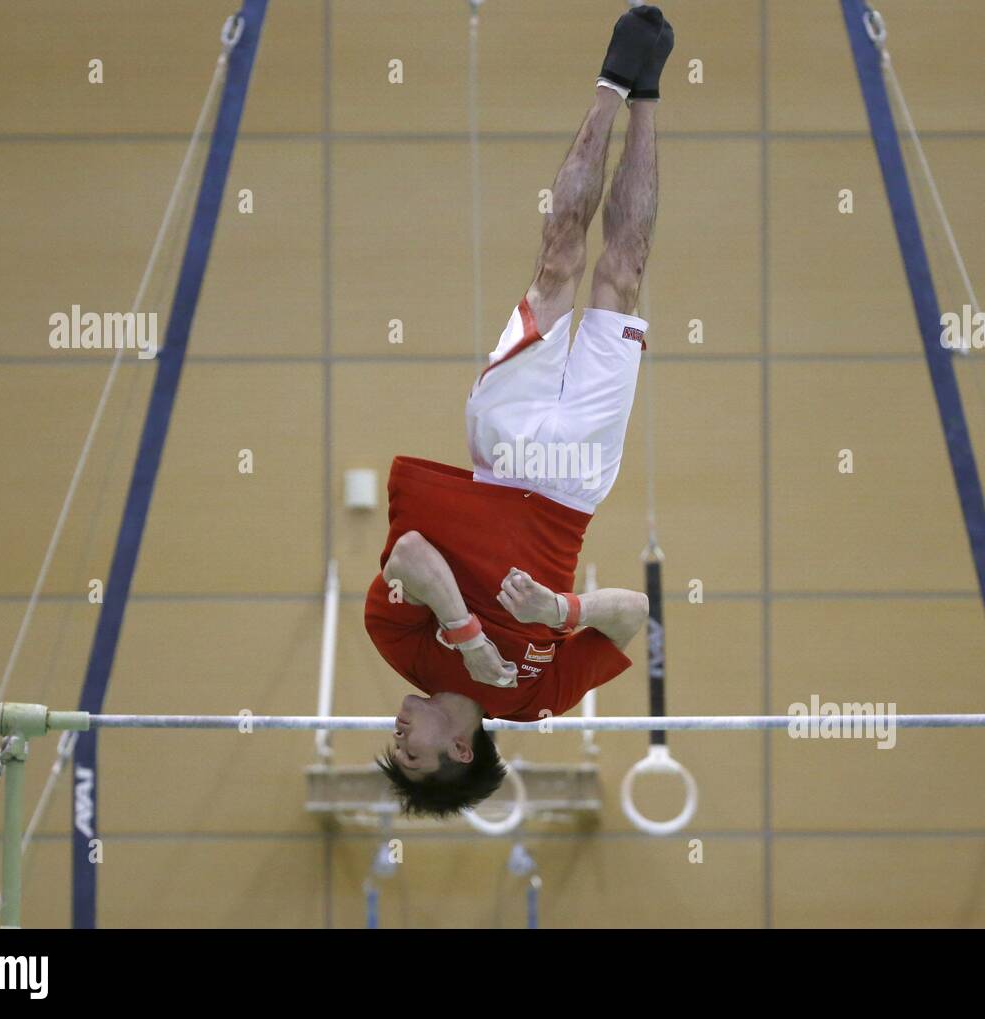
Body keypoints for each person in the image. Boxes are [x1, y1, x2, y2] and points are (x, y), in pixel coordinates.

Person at [364, 6, 674, 817]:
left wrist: (464, 632)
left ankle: (611, 83)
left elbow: (411, 554)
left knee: (561, 258)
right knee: (623, 274)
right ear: (461, 750)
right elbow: (637, 615)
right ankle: (649, 98)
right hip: (576, 482)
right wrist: (561, 612)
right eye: (411, 751)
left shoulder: (399, 647)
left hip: (501, 451)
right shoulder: (535, 700)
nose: (398, 732)